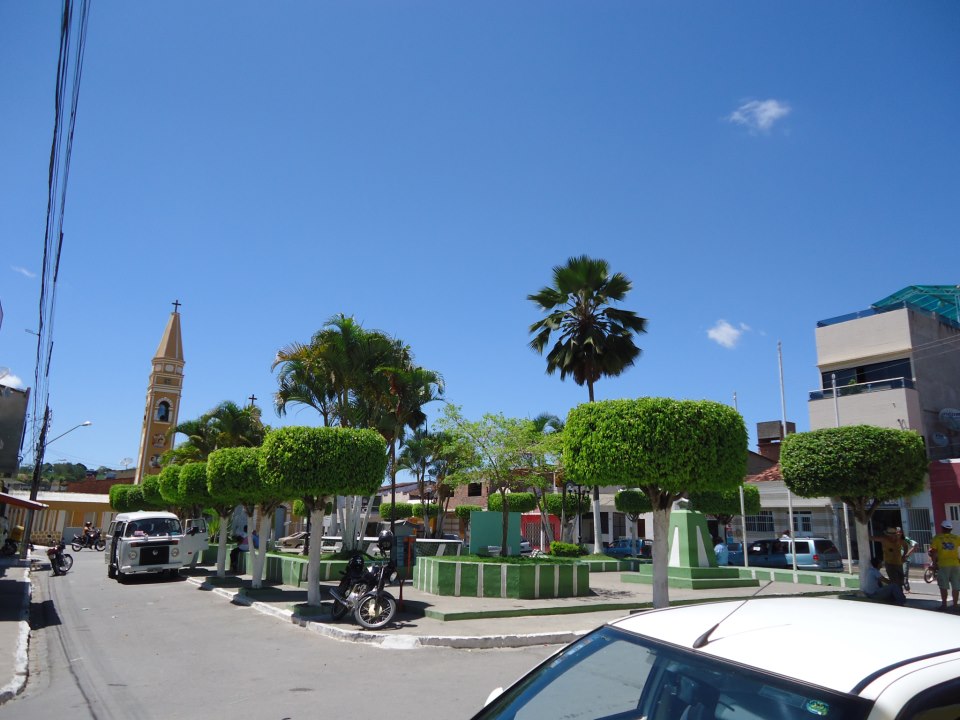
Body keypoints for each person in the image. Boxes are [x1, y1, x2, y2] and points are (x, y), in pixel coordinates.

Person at [929, 520, 960, 611]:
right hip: (956, 564)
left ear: (942, 528)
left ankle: (944, 604)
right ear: (951, 529)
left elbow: (933, 552)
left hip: (943, 564)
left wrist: (934, 564)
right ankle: (955, 604)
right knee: (956, 585)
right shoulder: (956, 538)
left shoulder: (937, 538)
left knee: (943, 585)